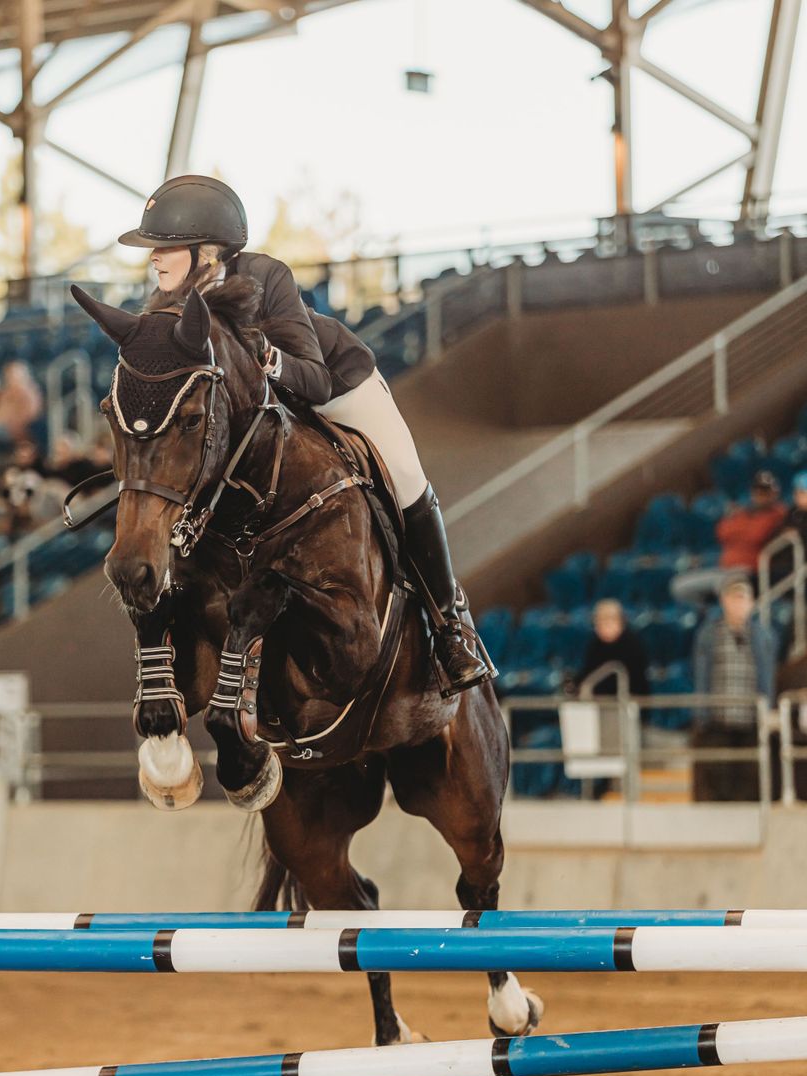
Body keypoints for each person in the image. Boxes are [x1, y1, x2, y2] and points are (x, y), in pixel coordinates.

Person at [116, 174, 490, 694]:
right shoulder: (164, 305)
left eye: (165, 248)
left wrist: (264, 359)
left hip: (336, 386)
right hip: (262, 420)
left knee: (406, 477)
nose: (154, 259)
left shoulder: (267, 276)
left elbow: (313, 379)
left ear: (206, 251)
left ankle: (451, 626)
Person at [691, 575, 776, 802]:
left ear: (752, 603)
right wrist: (702, 714)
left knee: (749, 781)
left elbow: (767, 677)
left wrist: (766, 711)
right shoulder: (709, 634)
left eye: (743, 598)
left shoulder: (763, 635)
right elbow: (702, 675)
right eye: (734, 598)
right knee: (718, 778)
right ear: (724, 601)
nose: (739, 603)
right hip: (719, 718)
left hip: (750, 719)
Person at [671, 471, 787, 608]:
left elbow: (756, 535)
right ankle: (707, 614)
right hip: (724, 569)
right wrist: (743, 529)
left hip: (749, 572)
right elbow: (721, 531)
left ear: (775, 493)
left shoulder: (778, 514)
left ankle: (724, 617)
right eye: (758, 492)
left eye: (766, 492)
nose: (761, 496)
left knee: (724, 585)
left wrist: (739, 530)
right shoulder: (744, 512)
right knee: (679, 586)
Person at [573, 599, 650, 696]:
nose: (604, 624)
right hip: (598, 702)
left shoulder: (633, 645)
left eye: (610, 619)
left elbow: (639, 681)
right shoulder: (594, 645)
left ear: (620, 621)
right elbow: (586, 674)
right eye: (600, 620)